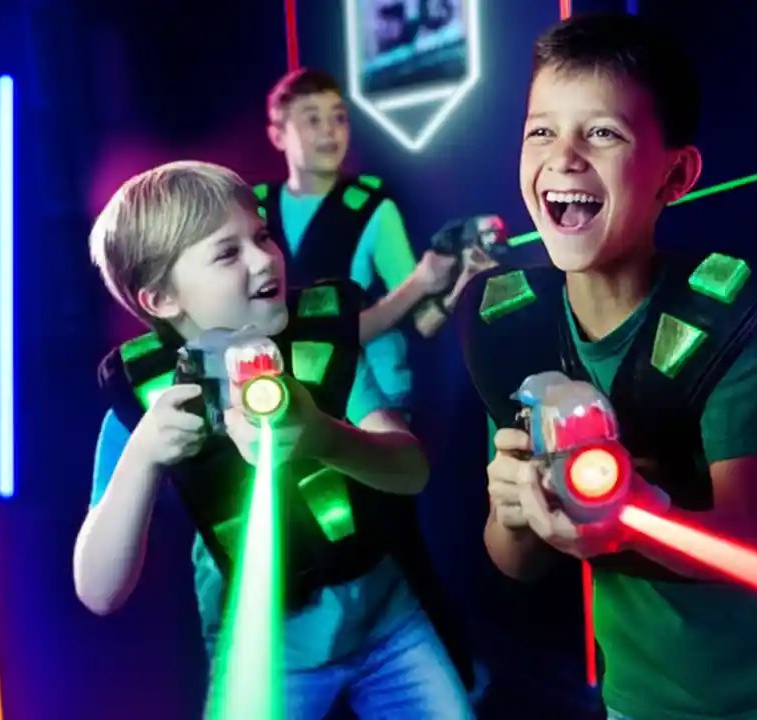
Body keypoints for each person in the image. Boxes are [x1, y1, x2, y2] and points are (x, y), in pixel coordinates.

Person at [459, 14, 757, 720]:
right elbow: (515, 562)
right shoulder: (514, 331)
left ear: (675, 174)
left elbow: (743, 544)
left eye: (603, 133)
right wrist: (514, 510)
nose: (564, 158)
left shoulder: (726, 325)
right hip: (644, 695)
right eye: (541, 131)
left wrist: (632, 518)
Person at [73, 161, 474, 719]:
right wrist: (142, 456)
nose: (266, 258)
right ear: (161, 299)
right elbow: (99, 590)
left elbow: (411, 469)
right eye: (227, 253)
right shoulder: (145, 403)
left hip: (387, 624)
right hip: (264, 652)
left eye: (261, 234)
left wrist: (321, 437)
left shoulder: (322, 343)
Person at [258, 67, 493, 411]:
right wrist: (420, 281)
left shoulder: (373, 208)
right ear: (278, 135)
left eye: (338, 118)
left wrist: (458, 285)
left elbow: (424, 322)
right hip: (281, 397)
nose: (329, 131)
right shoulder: (256, 209)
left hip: (371, 400)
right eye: (313, 120)